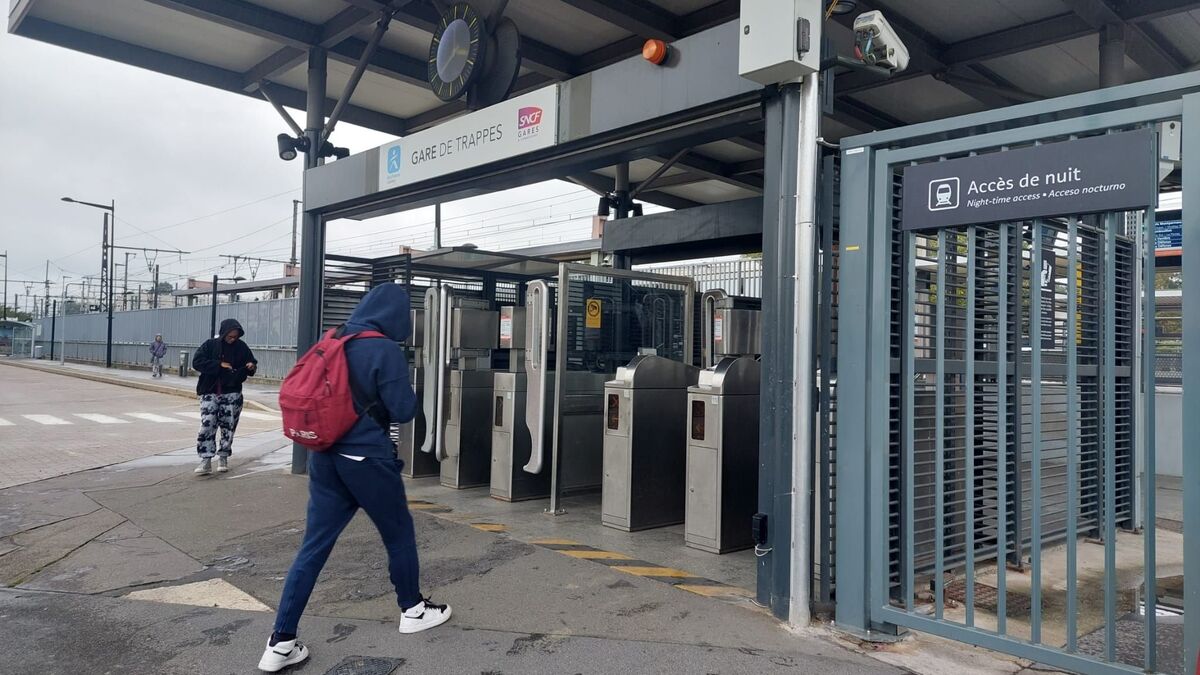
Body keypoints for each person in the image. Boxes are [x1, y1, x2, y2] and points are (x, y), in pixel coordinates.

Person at [257, 284, 450, 673]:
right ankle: (412, 610)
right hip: (366, 458)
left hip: (325, 457)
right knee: (398, 535)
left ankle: (280, 643)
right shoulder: (383, 349)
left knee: (313, 547)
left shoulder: (332, 339)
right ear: (395, 316)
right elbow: (404, 411)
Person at [191, 319, 257, 475]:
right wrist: (219, 365)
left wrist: (251, 366)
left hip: (232, 391)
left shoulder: (241, 347)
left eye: (235, 336)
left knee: (228, 426)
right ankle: (205, 459)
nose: (233, 339)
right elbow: (197, 362)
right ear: (224, 333)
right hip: (210, 390)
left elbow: (251, 361)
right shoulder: (210, 345)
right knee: (208, 424)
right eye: (230, 336)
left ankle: (223, 456)